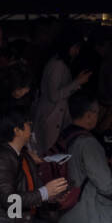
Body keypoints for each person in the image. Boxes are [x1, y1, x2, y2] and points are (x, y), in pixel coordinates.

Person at [0, 106, 73, 223]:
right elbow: (9, 201)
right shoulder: (3, 158)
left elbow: (34, 190)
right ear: (17, 130)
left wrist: (52, 197)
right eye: (28, 124)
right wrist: (44, 193)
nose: (31, 127)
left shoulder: (23, 155)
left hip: (28, 220)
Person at [55, 93, 112, 223]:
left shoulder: (63, 137)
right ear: (89, 115)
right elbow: (106, 185)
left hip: (65, 219)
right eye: (96, 112)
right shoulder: (88, 143)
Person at [31, 27, 91, 157]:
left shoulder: (58, 64)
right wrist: (77, 82)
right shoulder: (57, 65)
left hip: (52, 119)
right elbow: (54, 95)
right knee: (49, 157)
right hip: (50, 120)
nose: (76, 51)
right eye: (75, 47)